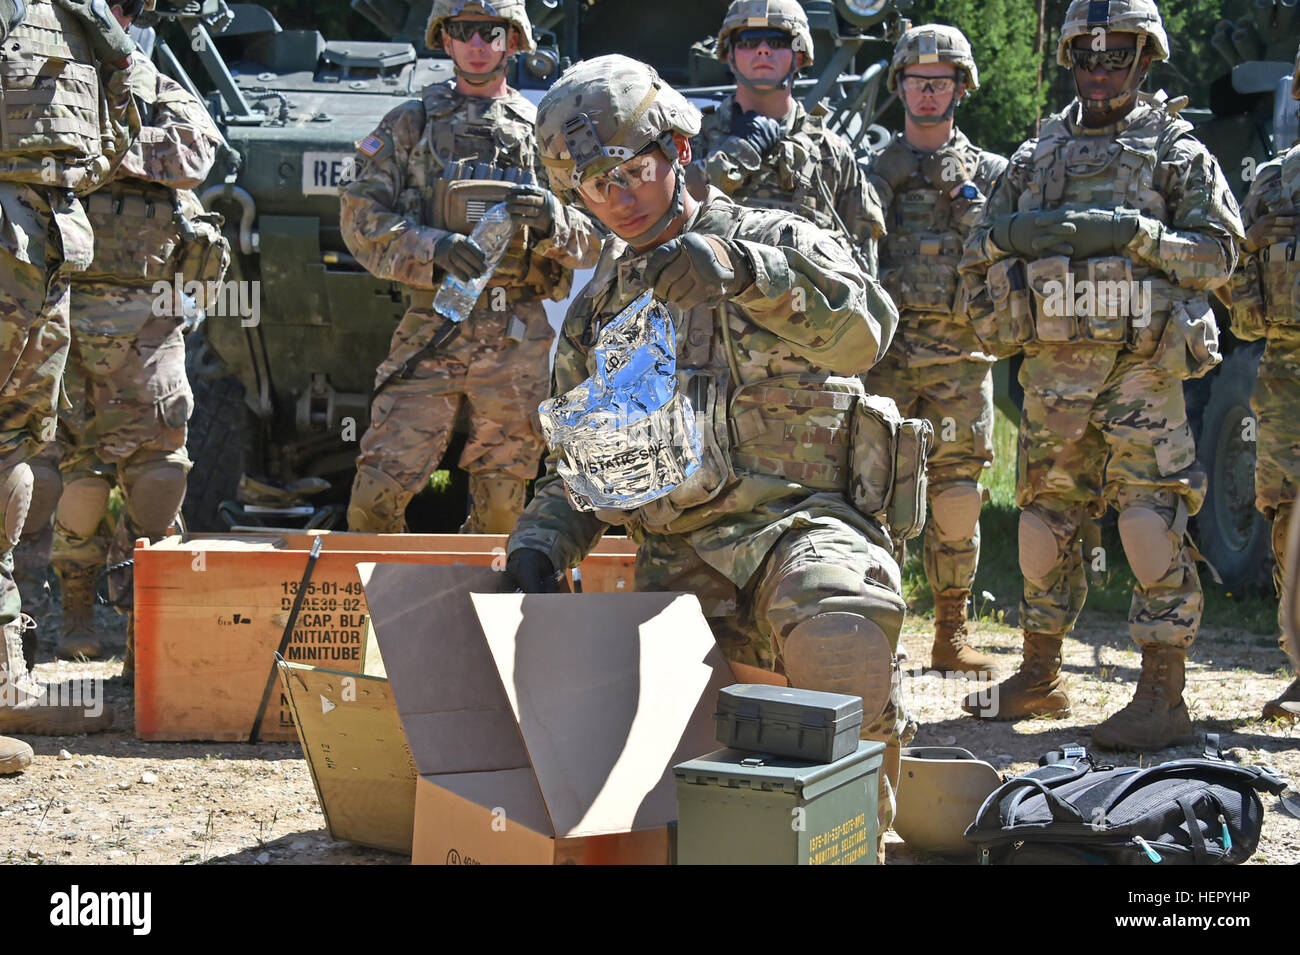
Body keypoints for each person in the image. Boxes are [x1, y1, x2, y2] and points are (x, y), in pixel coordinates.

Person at [503, 54, 911, 860]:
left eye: (631, 171)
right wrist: (542, 542)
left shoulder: (774, 238)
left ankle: (856, 834)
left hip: (803, 524)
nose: (618, 197)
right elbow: (579, 466)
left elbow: (869, 332)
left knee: (839, 633)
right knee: (702, 805)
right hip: (678, 557)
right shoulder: (599, 313)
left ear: (678, 152)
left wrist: (746, 273)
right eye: (593, 185)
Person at [959, 0, 1243, 751]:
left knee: (1148, 523)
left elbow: (1220, 254)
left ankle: (1161, 692)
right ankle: (1040, 673)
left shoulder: (1175, 151)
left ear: (1146, 56)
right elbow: (976, 253)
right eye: (1087, 55)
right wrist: (1010, 237)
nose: (1100, 68)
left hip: (1142, 369)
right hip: (1053, 372)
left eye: (1117, 54)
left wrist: (1141, 235)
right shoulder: (1034, 157)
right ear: (1069, 61)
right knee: (1040, 530)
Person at [341, 0, 600, 535]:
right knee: (376, 495)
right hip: (431, 325)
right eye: (464, 31)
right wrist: (431, 246)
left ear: (513, 39)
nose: (477, 44)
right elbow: (358, 215)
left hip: (515, 335)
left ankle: (479, 613)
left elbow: (600, 233)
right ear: (446, 38)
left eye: (491, 31)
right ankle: (380, 614)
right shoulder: (408, 124)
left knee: (505, 506)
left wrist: (555, 220)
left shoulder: (544, 131)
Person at [33, 0, 226, 677]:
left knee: (157, 474)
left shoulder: (150, 81)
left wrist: (106, 149)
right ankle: (76, 612)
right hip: (62, 305)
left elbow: (197, 153)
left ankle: (153, 633)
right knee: (72, 476)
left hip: (149, 316)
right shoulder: (43, 78)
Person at [0, 0, 140, 773]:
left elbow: (107, 147)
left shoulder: (83, 21)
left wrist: (116, 50)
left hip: (46, 240)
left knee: (16, 450)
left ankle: (2, 675)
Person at [864, 24, 1006, 677]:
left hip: (959, 359)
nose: (928, 93)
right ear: (900, 87)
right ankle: (876, 629)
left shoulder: (994, 177)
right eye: (918, 82)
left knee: (956, 498)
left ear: (960, 89)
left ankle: (951, 632)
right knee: (875, 493)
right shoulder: (867, 177)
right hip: (884, 358)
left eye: (940, 82)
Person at [1219, 44, 1300, 722]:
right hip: (1287, 383)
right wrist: (1249, 247)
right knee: (1290, 523)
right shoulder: (1274, 186)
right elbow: (1243, 315)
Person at [690, 0, 884, 271]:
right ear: (729, 56)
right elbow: (662, 225)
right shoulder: (692, 141)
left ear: (799, 57)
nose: (763, 49)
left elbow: (863, 268)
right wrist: (732, 154)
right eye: (747, 40)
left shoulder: (833, 155)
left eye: (779, 41)